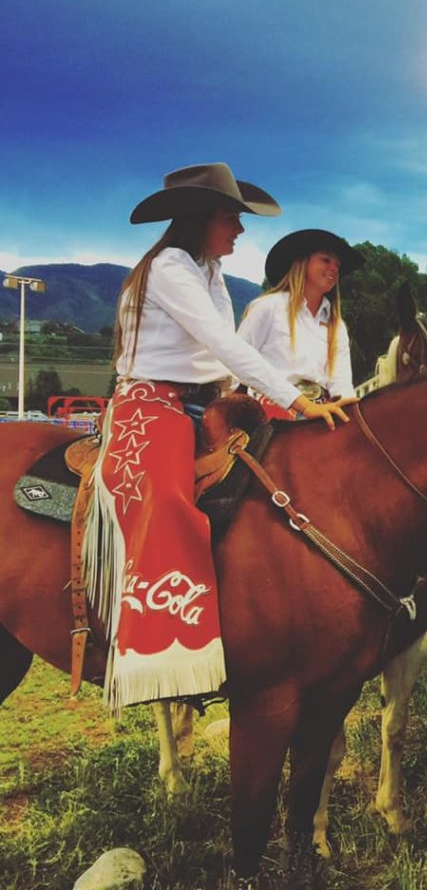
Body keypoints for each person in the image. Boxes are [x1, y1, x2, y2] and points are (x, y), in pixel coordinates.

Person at [88, 163, 351, 713]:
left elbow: (224, 355)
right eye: (232, 217)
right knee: (168, 499)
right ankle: (165, 649)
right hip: (152, 401)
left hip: (204, 399)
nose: (241, 229)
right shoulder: (169, 267)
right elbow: (224, 343)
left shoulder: (208, 270)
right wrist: (298, 401)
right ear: (202, 218)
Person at [237, 229, 362, 419]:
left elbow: (341, 381)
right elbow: (238, 359)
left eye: (338, 265)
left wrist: (350, 412)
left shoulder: (336, 326)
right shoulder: (268, 307)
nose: (335, 268)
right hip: (270, 408)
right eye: (326, 260)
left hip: (320, 409)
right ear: (302, 263)